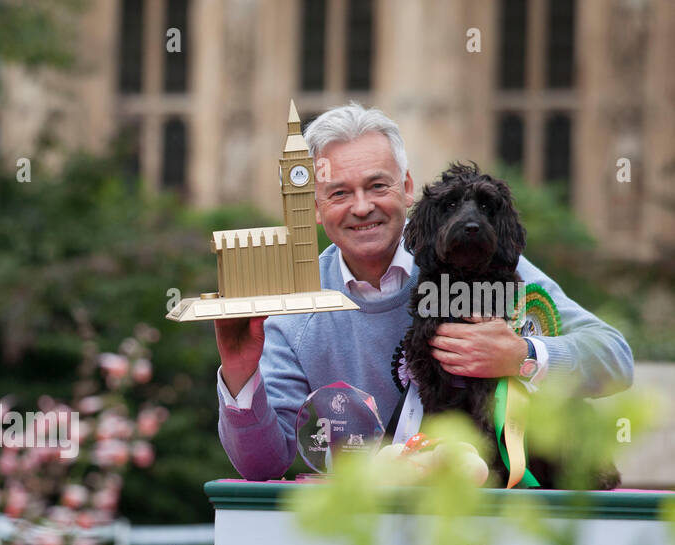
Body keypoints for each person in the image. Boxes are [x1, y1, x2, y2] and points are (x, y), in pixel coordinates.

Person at [215, 102, 634, 480]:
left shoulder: (479, 258)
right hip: (367, 527)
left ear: (408, 187)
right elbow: (262, 464)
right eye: (340, 193)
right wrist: (239, 375)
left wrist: (522, 357)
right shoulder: (294, 305)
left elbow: (615, 359)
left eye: (378, 186)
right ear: (316, 207)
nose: (362, 207)